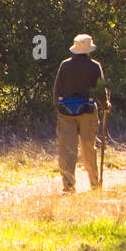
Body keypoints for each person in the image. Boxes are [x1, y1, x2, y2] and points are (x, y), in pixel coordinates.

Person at [53, 33, 111, 193]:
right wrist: (105, 104)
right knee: (88, 148)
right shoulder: (94, 66)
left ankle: (68, 186)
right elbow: (100, 90)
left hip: (65, 112)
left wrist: (57, 106)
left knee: (67, 149)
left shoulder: (64, 65)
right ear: (88, 49)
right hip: (87, 111)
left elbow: (56, 89)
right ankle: (94, 184)